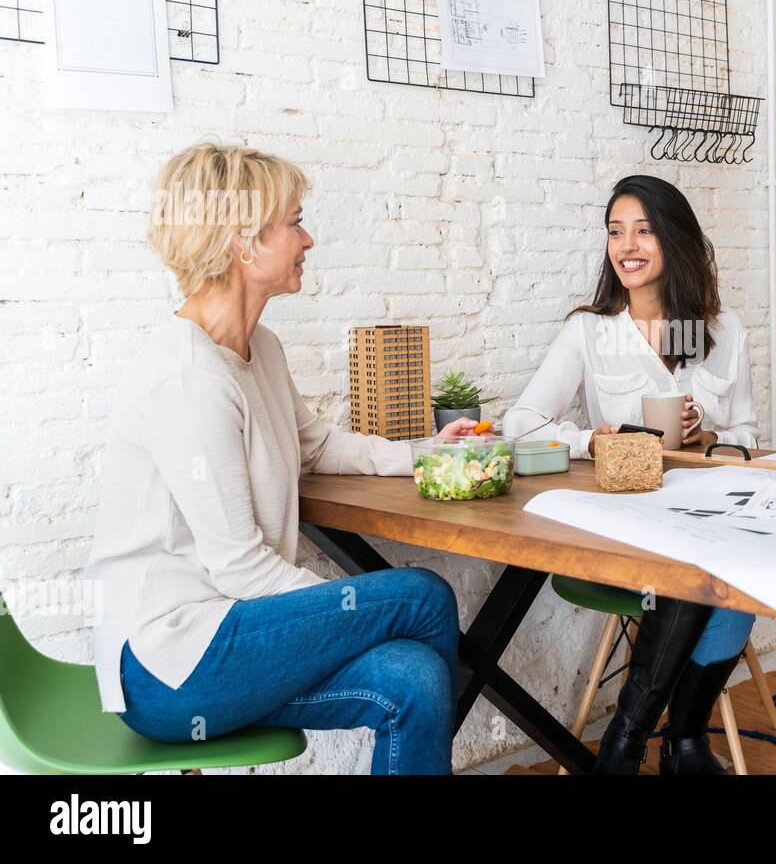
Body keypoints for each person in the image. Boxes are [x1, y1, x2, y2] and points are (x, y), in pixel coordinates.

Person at [85, 143, 482, 774]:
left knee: (415, 678)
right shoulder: (189, 379)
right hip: (172, 664)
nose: (310, 239)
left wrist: (425, 455)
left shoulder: (259, 347)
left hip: (240, 634)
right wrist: (348, 615)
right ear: (242, 242)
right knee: (421, 596)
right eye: (294, 222)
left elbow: (315, 445)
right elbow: (242, 569)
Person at [504, 175, 760, 773]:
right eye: (616, 232)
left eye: (644, 230)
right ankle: (648, 740)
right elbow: (520, 423)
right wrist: (592, 440)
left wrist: (712, 438)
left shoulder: (724, 333)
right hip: (630, 518)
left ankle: (665, 739)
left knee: (737, 566)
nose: (627, 245)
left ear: (677, 241)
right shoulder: (591, 331)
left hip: (709, 511)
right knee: (700, 563)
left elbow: (751, 438)